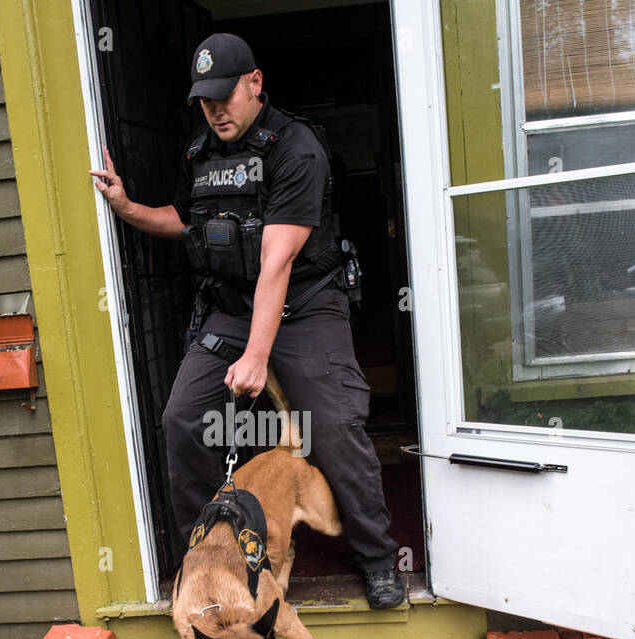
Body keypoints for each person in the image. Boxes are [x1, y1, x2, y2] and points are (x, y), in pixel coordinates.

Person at [89, 32, 404, 609]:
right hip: (232, 307)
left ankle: (379, 557)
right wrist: (128, 206)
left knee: (332, 425)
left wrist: (257, 356)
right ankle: (212, 556)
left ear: (254, 83)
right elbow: (180, 220)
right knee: (184, 421)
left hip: (306, 305)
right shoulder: (199, 154)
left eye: (224, 96)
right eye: (205, 100)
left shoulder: (297, 148)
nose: (214, 110)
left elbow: (278, 260)